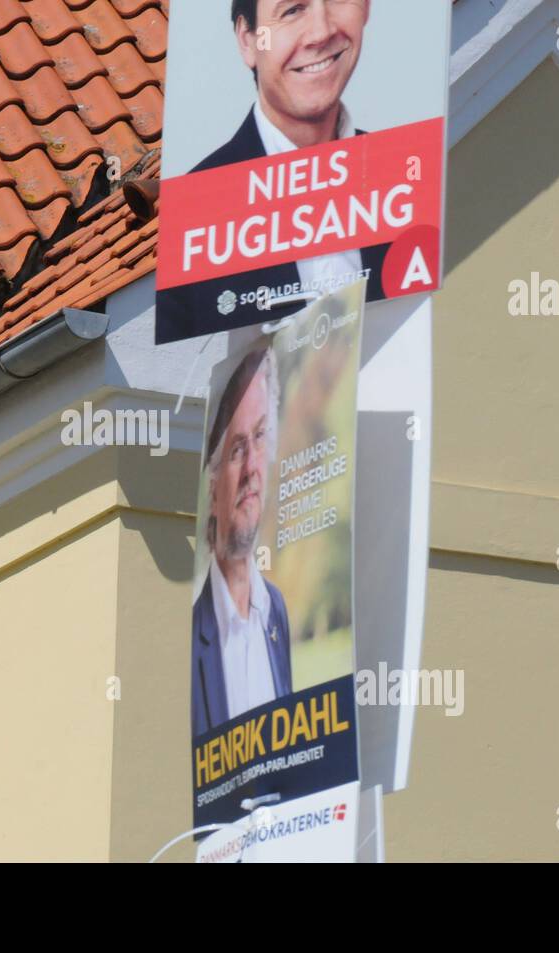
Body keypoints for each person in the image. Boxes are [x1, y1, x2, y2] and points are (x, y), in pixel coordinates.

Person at [157, 0, 389, 344]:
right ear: (247, 40)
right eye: (293, 10)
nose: (322, 32)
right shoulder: (194, 213)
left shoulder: (402, 173)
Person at [192, 348, 293, 736]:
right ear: (213, 485)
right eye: (237, 450)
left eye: (261, 436)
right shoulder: (195, 633)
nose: (253, 467)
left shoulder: (275, 612)